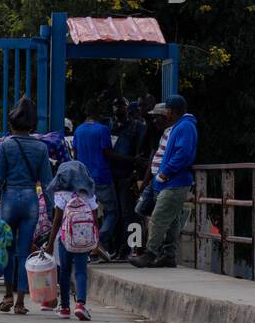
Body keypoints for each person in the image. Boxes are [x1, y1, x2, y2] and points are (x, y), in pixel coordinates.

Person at [0, 100, 53, 314]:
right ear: (32, 125)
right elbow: (48, 184)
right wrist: (52, 213)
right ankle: (21, 302)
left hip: (10, 199)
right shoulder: (41, 148)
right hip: (30, 200)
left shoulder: (6, 145)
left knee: (6, 249)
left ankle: (7, 296)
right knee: (24, 252)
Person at [131, 95, 197, 268]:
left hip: (174, 181)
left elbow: (183, 153)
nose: (165, 113)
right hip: (169, 180)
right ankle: (168, 255)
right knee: (173, 219)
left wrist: (166, 172)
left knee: (159, 217)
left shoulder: (185, 127)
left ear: (172, 111)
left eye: (167, 109)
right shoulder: (180, 126)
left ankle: (150, 254)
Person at [45, 161, 101, 320]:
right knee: (81, 271)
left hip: (65, 239)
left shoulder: (61, 194)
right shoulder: (88, 193)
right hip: (83, 240)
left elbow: (56, 220)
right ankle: (81, 304)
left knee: (65, 271)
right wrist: (96, 240)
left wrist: (50, 244)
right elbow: (95, 218)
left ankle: (64, 307)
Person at [72, 97, 119, 261]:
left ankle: (89, 244)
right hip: (102, 176)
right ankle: (98, 241)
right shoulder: (103, 129)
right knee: (112, 211)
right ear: (98, 112)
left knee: (87, 213)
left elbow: (75, 155)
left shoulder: (78, 130)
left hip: (83, 179)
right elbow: (107, 153)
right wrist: (130, 159)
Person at [109, 98, 147, 260]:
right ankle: (118, 247)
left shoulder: (135, 127)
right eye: (116, 105)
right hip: (112, 176)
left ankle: (133, 248)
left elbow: (140, 154)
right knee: (117, 214)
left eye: (122, 105)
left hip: (127, 176)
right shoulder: (109, 127)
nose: (119, 108)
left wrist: (136, 172)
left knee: (130, 214)